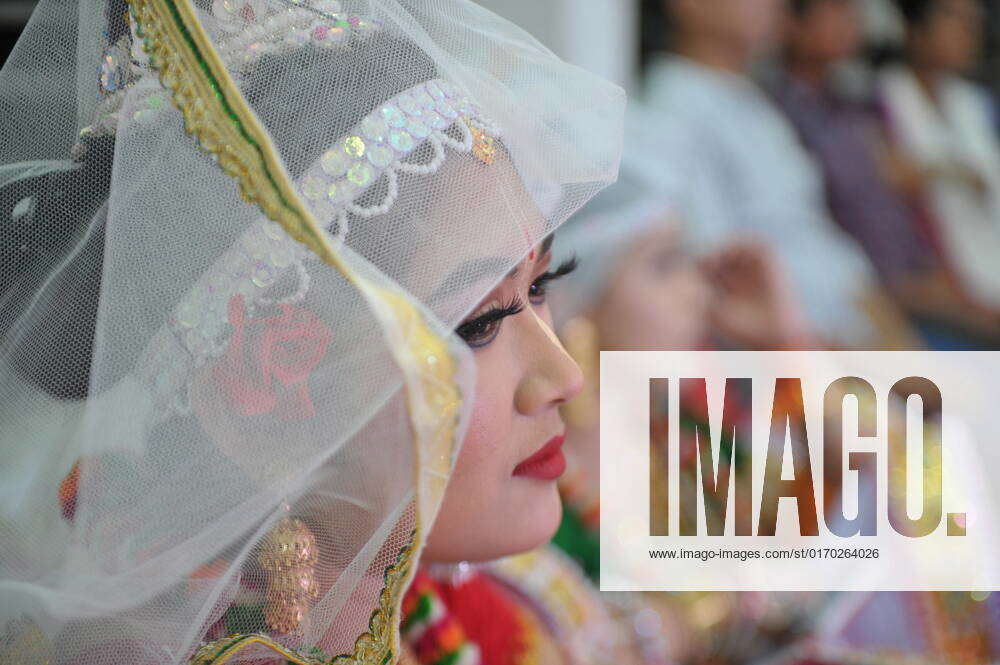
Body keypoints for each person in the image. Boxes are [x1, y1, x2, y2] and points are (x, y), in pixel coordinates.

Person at [0, 1, 639, 664]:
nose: (565, 376)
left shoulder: (470, 607)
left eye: (539, 285)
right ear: (268, 391)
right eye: (475, 324)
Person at [642, 0, 917, 348]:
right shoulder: (671, 107)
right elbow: (718, 278)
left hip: (857, 331)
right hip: (796, 359)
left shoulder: (750, 99)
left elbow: (823, 245)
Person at [774, 0, 1000, 346]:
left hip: (932, 270)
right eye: (835, 11)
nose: (849, 24)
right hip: (882, 287)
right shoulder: (873, 101)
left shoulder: (851, 106)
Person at [878, 0, 1000, 322]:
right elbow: (893, 175)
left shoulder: (974, 103)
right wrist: (957, 173)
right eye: (956, 20)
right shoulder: (882, 97)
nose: (969, 32)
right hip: (935, 271)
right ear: (916, 29)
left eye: (973, 23)